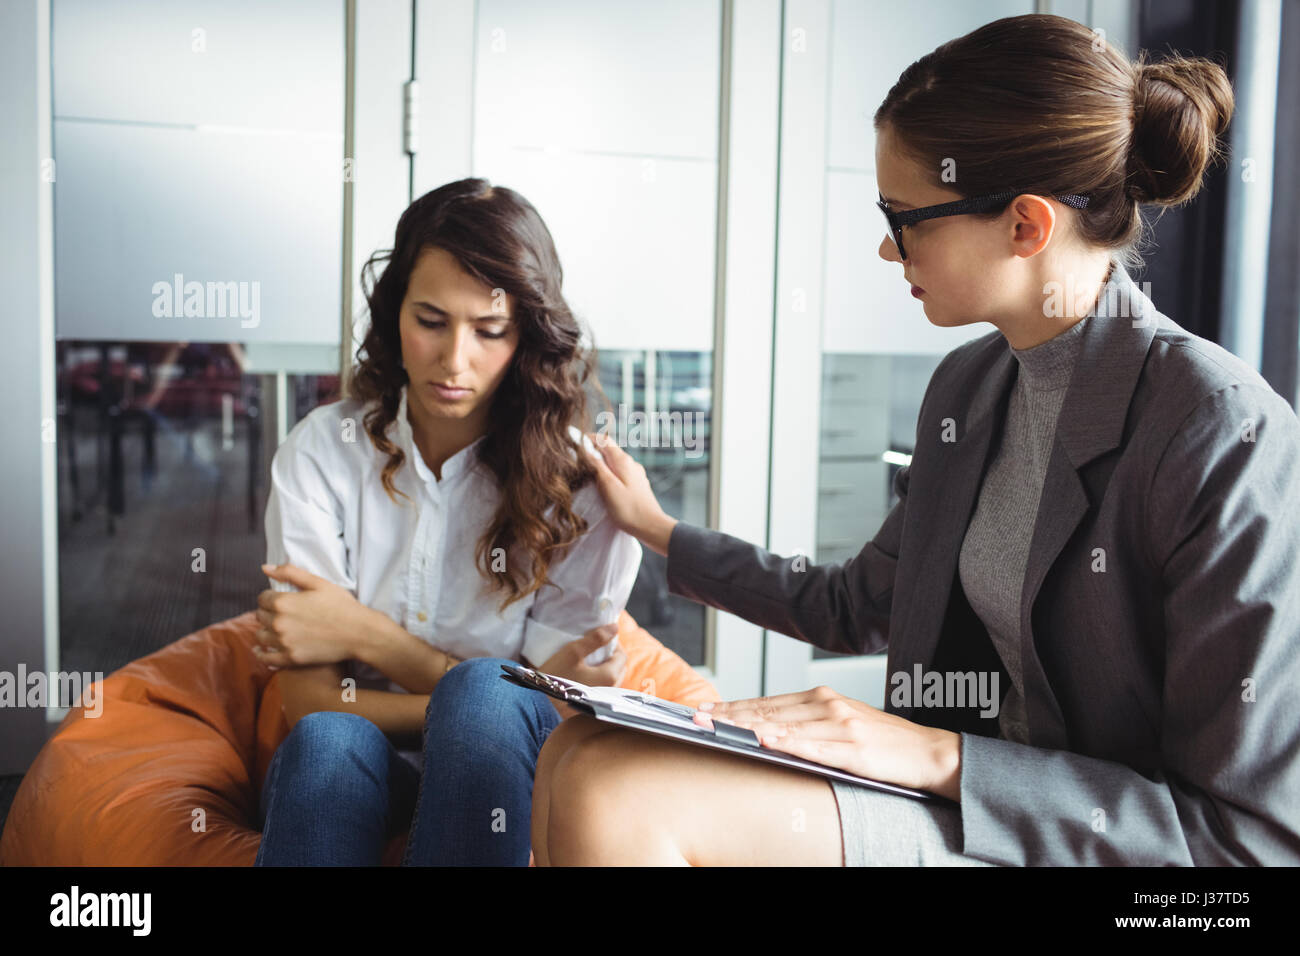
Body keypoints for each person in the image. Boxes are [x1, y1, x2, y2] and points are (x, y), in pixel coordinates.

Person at [530, 14, 1300, 866]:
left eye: (908, 217)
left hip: (1086, 850)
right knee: (579, 755)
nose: (888, 246)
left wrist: (938, 755)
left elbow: (1244, 846)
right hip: (955, 804)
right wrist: (658, 529)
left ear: (1026, 227)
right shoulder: (968, 390)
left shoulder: (1221, 431)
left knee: (617, 794)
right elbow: (856, 604)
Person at [250, 178, 642, 865]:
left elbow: (548, 709)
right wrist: (466, 698)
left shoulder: (580, 489)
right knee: (328, 742)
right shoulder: (322, 452)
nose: (454, 360)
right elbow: (311, 703)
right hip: (363, 758)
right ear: (393, 311)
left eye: (489, 330)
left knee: (488, 703)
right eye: (430, 321)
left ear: (524, 336)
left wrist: (365, 634)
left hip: (515, 768)